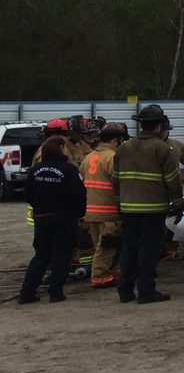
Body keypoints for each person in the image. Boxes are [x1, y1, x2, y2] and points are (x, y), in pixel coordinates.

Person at [112, 104, 184, 304]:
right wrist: (178, 204)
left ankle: (125, 291)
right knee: (148, 250)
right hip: (153, 209)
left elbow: (115, 180)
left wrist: (120, 203)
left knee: (129, 249)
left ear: (141, 124)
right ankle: (146, 291)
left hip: (128, 208)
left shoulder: (124, 147)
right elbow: (172, 180)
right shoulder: (162, 148)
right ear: (159, 126)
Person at [18, 136, 87, 304]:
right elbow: (79, 194)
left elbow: (28, 194)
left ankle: (27, 293)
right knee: (61, 255)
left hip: (42, 218)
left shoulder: (36, 170)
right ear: (61, 149)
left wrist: (40, 207)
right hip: (64, 218)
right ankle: (55, 293)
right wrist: (79, 214)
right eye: (65, 147)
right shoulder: (69, 170)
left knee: (41, 255)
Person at [79, 123, 128, 288]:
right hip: (108, 212)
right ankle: (100, 276)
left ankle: (112, 271)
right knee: (107, 247)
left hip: (91, 212)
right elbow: (119, 184)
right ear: (115, 141)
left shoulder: (89, 157)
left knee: (99, 244)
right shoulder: (113, 158)